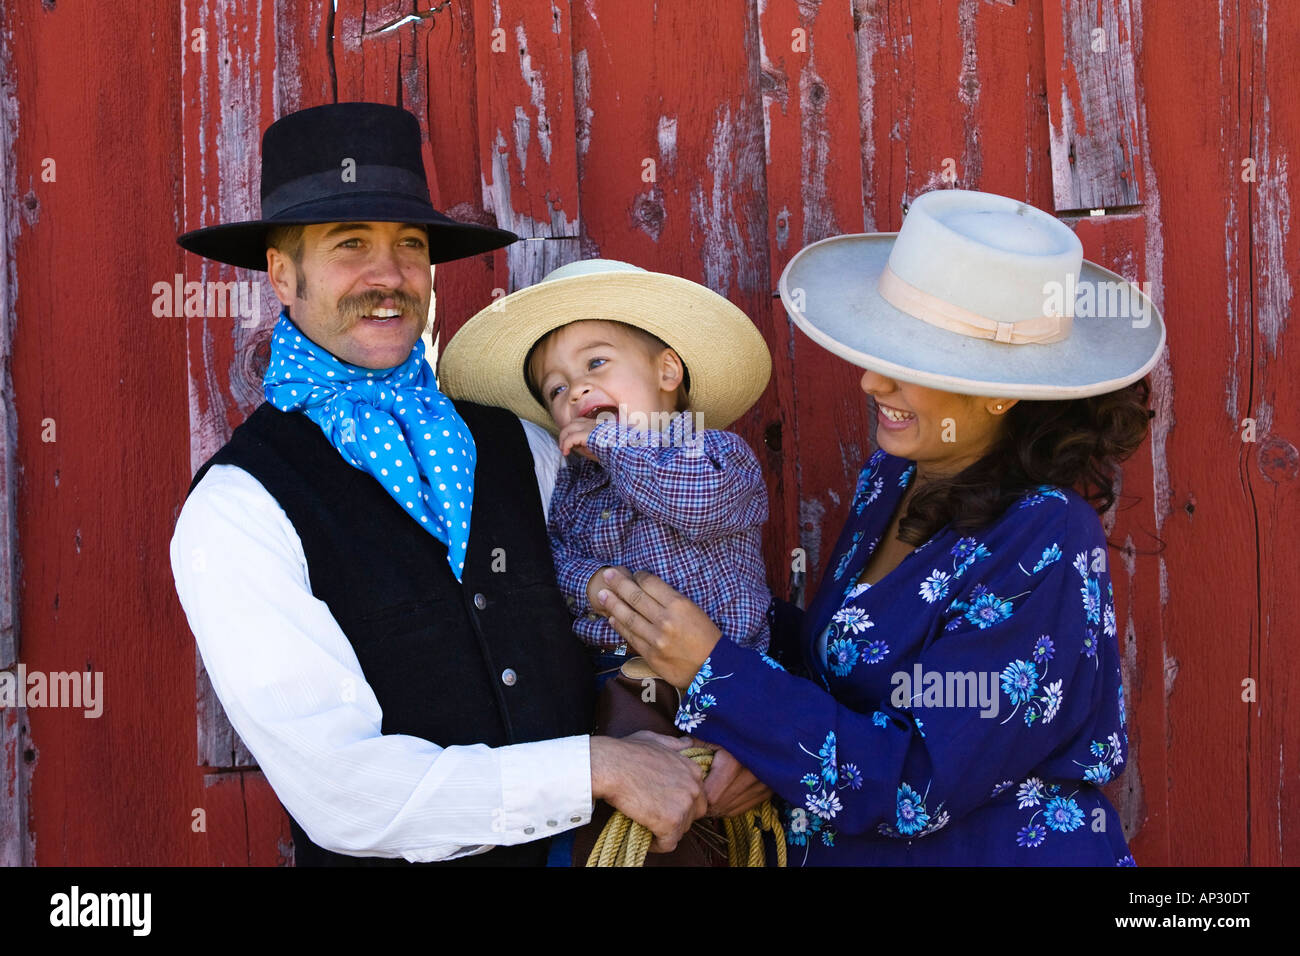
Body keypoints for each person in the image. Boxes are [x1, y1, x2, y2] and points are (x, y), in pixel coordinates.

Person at [168, 101, 708, 866]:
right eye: (350, 244)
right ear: (284, 276)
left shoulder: (523, 446)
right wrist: (596, 767)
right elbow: (345, 793)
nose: (388, 277)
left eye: (410, 245)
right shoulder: (239, 510)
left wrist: (744, 740)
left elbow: (682, 582)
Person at [591, 188, 1166, 865]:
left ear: (1002, 386)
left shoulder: (1047, 540)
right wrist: (702, 614)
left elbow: (917, 787)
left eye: (909, 363)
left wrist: (718, 673)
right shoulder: (893, 478)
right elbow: (841, 670)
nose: (870, 382)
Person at [436, 259, 775, 687]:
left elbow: (697, 503)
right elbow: (550, 558)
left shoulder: (712, 450)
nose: (575, 389)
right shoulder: (576, 486)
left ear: (667, 371)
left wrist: (608, 442)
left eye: (596, 363)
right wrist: (592, 582)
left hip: (718, 674)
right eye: (556, 389)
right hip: (608, 675)